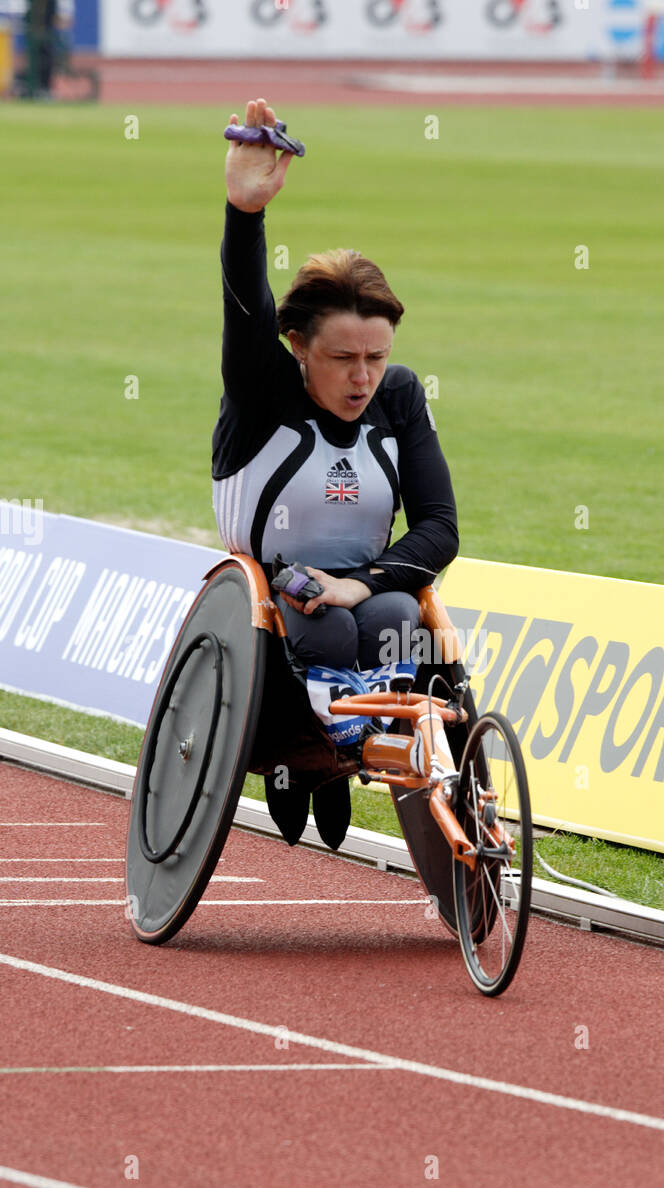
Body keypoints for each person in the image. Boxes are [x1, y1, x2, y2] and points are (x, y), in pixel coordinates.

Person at [213, 97, 459, 848]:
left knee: (388, 621)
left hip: (366, 584)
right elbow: (245, 306)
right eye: (342, 359)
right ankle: (311, 752)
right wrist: (243, 214)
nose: (362, 378)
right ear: (297, 346)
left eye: (375, 359)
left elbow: (440, 528)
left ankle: (362, 749)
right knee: (325, 624)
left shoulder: (401, 395)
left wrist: (366, 580)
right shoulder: (263, 388)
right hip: (273, 591)